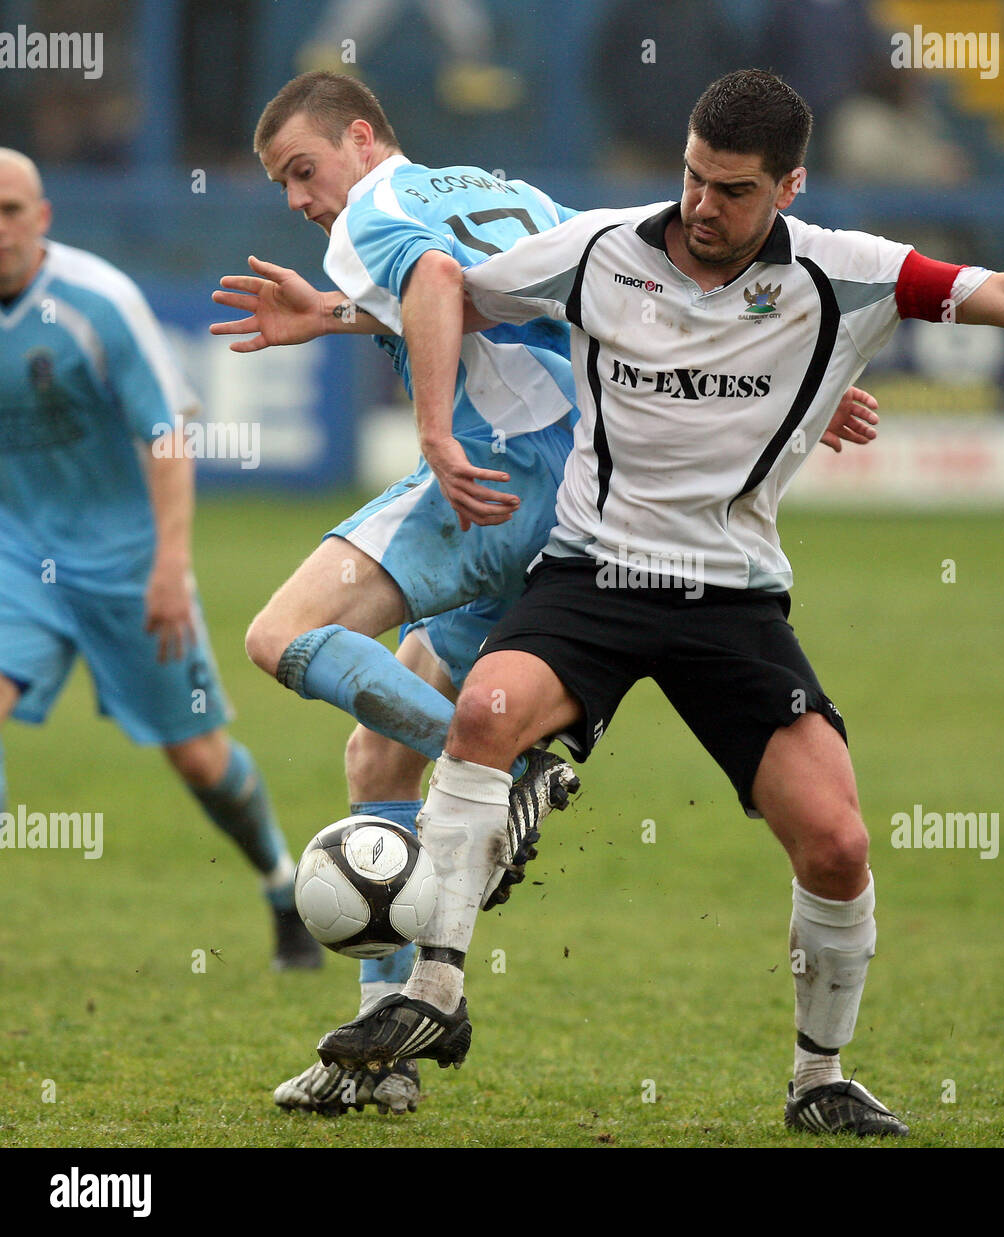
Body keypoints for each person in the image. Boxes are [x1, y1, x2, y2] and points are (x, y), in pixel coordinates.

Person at [311, 69, 1004, 1138]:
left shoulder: (843, 272)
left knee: (837, 844)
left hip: (732, 600)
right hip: (591, 576)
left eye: (730, 189)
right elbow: (447, 282)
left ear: (789, 186)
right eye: (690, 176)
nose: (700, 206)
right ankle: (433, 990)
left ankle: (820, 1076)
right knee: (482, 716)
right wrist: (349, 326)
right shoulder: (602, 247)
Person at [211, 71, 882, 1119]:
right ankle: (381, 1051)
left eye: (304, 170)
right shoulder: (503, 189)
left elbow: (434, 273)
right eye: (282, 186)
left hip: (498, 473)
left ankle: (503, 775)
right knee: (373, 748)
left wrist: (434, 433)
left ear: (359, 136)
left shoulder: (379, 207)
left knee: (278, 633)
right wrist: (340, 315)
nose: (301, 200)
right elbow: (628, 284)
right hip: (587, 496)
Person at [0, 147, 319, 971]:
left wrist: (171, 566)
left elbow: (167, 431)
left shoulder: (96, 302)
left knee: (199, 758)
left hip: (126, 560)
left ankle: (281, 881)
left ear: (43, 218)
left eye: (11, 211)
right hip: (14, 552)